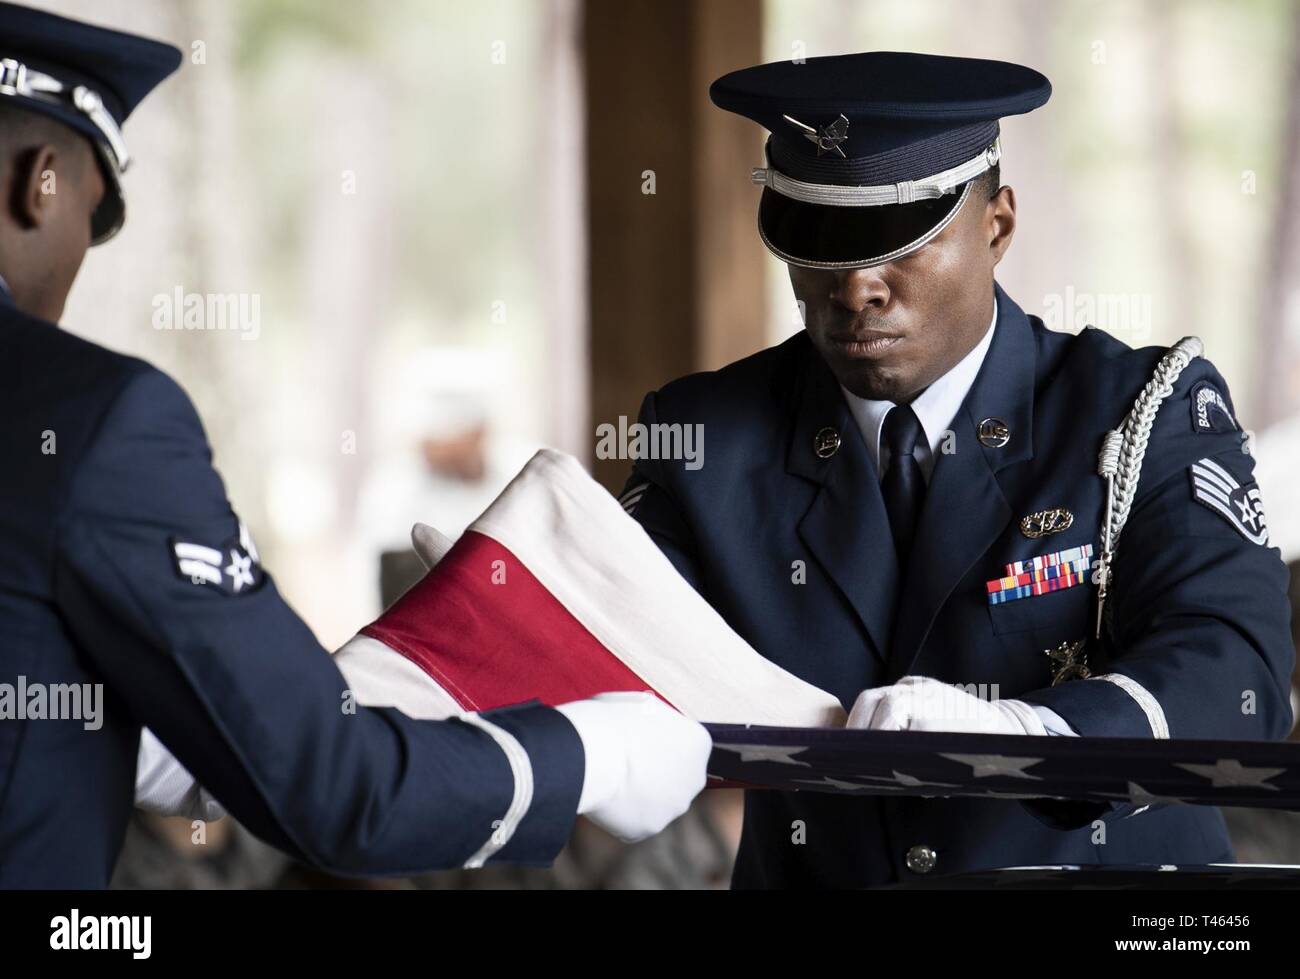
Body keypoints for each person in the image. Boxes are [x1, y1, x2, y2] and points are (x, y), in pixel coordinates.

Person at [0, 2, 710, 888]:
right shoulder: (100, 416)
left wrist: (121, 730)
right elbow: (343, 792)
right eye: (93, 220)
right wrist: (599, 753)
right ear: (43, 182)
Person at [620, 51, 1295, 888]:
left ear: (998, 226)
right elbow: (622, 645)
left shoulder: (1138, 411)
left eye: (900, 240)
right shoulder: (707, 434)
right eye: (823, 240)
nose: (857, 286)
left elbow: (1234, 668)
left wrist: (1027, 736)